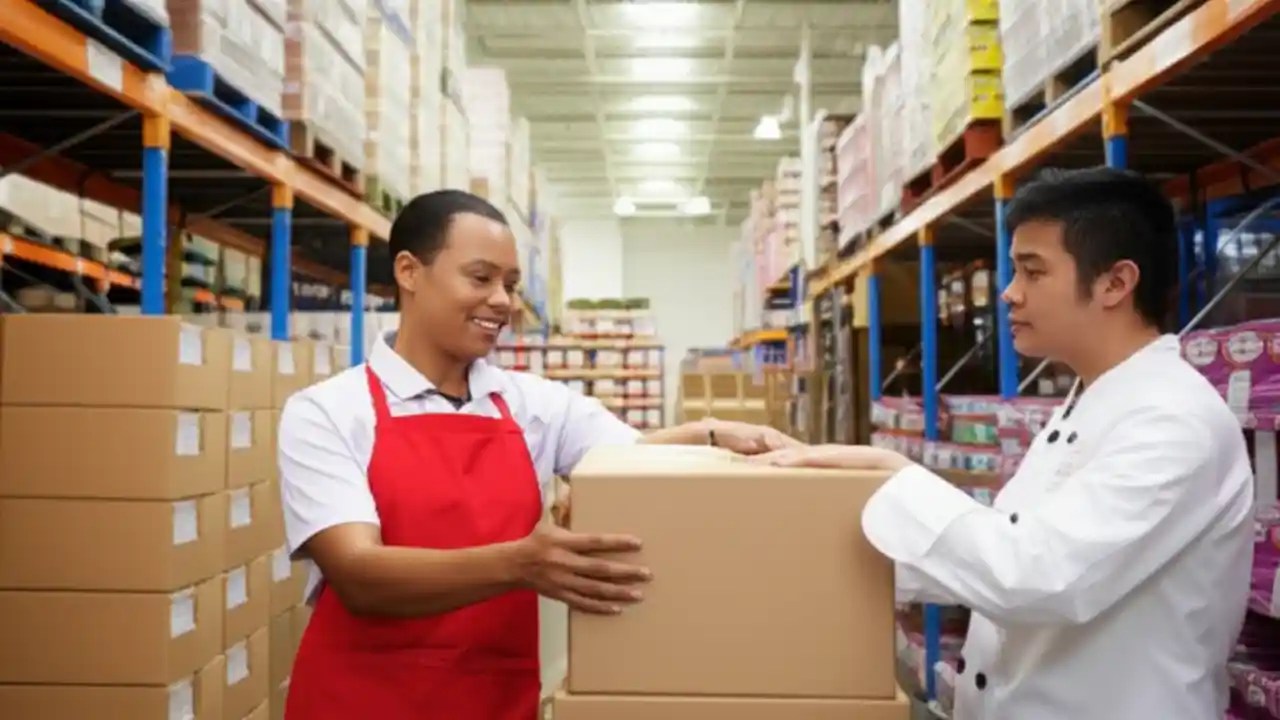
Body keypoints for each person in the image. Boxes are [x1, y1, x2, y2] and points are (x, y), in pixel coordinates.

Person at [755, 167, 1253, 719]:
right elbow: (998, 552)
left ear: (1115, 283)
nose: (1008, 293)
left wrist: (896, 477)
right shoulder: (1093, 403)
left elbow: (1036, 576)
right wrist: (816, 548)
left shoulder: (1173, 422)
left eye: (1032, 272)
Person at [278, 189, 794, 720]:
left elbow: (633, 462)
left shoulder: (529, 404)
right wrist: (520, 563)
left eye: (510, 284)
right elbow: (359, 575)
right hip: (362, 702)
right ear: (409, 272)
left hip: (493, 700)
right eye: (480, 279)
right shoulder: (328, 411)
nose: (502, 301)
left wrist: (712, 433)